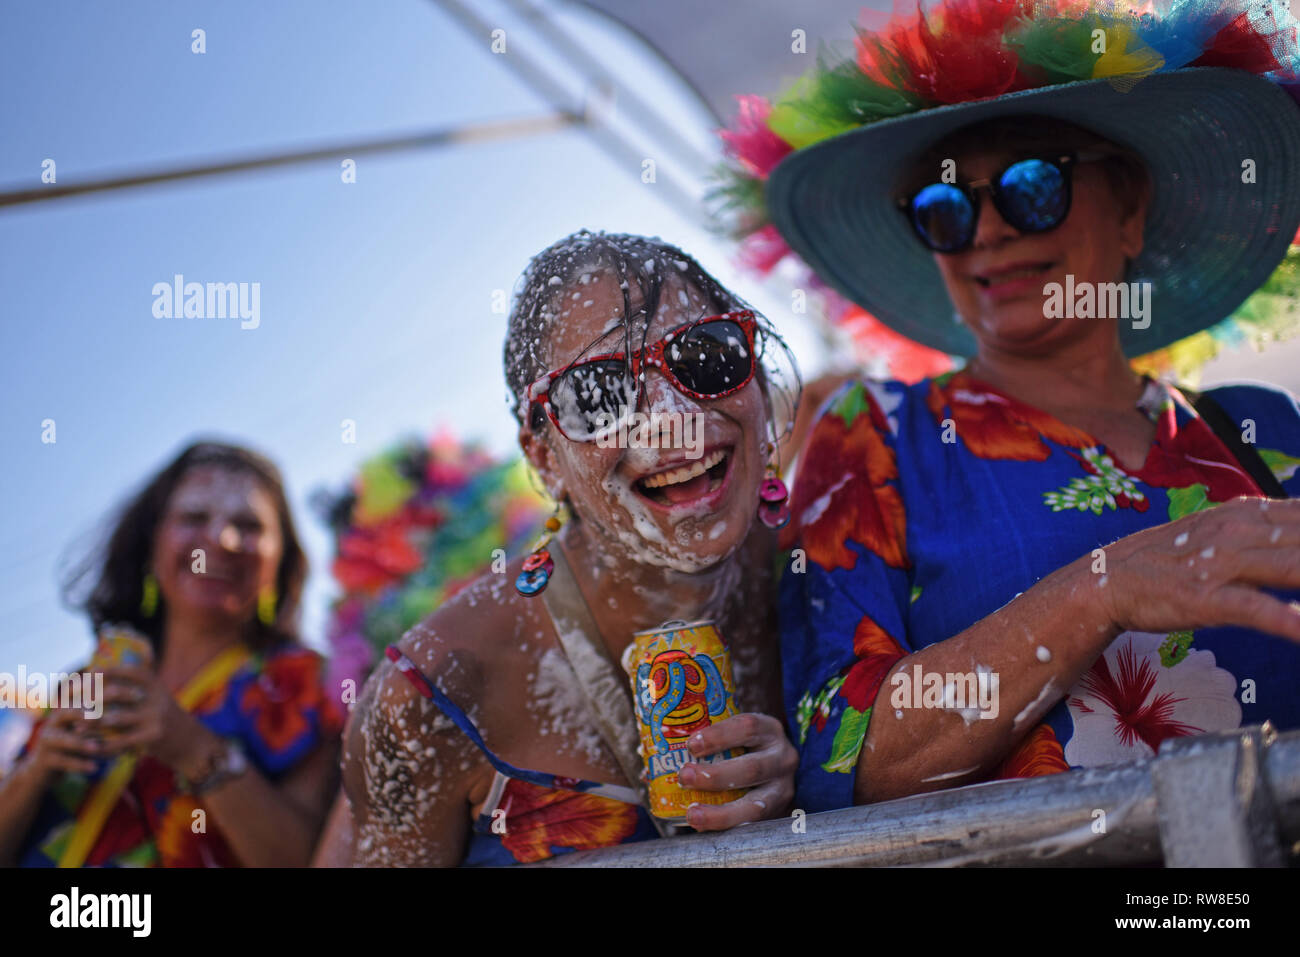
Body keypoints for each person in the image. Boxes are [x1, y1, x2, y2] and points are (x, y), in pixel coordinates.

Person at [716, 0, 1300, 810]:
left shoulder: (1262, 433)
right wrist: (1101, 588)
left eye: (1033, 184)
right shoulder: (875, 434)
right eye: (944, 209)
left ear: (1128, 208)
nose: (986, 231)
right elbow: (839, 759)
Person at [333, 231, 801, 866]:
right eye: (599, 395)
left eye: (706, 354)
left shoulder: (829, 560)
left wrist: (804, 812)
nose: (670, 415)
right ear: (543, 457)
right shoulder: (431, 697)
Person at [0, 441, 342, 866]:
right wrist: (37, 769)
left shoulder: (310, 685)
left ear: (281, 560)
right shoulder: (87, 680)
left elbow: (308, 861)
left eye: (249, 525)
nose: (221, 540)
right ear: (149, 546)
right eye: (194, 517)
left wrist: (194, 749)